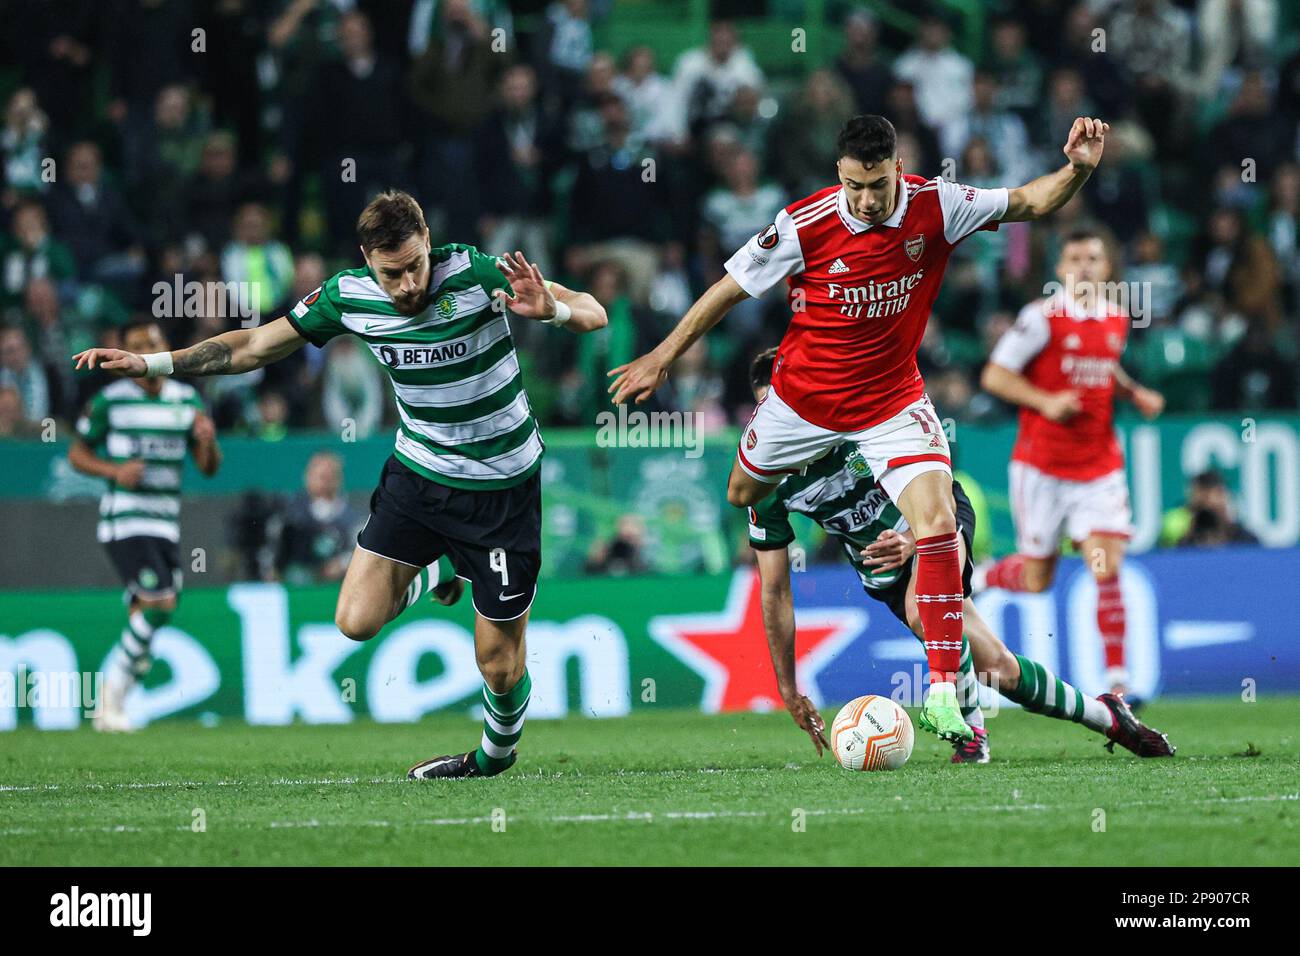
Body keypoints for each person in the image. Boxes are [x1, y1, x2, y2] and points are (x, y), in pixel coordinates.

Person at [609, 112, 1113, 744]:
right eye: (855, 187)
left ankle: (942, 696)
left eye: (878, 185)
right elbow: (728, 289)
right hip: (804, 404)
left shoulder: (938, 204)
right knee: (741, 492)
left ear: (898, 168)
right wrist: (662, 356)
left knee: (933, 525)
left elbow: (1028, 201)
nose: (868, 200)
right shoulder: (804, 223)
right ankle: (999, 705)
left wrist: (1077, 170)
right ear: (838, 176)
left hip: (890, 402)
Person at [74, 191, 607, 778]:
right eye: (391, 273)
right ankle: (441, 567)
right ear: (366, 259)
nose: (405, 286)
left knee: (499, 667)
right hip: (422, 475)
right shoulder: (346, 295)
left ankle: (492, 758)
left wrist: (552, 310)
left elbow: (592, 310)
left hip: (503, 486)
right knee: (354, 621)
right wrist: (153, 364)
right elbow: (252, 345)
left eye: (414, 267)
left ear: (429, 243)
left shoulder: (477, 272)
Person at [743, 348, 1174, 763]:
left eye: (791, 405)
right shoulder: (763, 479)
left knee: (920, 611)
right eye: (774, 413)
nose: (790, 423)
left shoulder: (859, 415)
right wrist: (788, 687)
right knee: (999, 669)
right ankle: (1108, 716)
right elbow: (776, 590)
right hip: (886, 575)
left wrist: (913, 538)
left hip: (937, 520)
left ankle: (971, 735)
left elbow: (930, 472)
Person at [977, 228, 1165, 700]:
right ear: (1060, 269)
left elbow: (1105, 367)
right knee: (1038, 580)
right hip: (1042, 468)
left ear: (1106, 268)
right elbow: (995, 375)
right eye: (1075, 258)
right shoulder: (1041, 319)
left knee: (1106, 565)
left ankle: (1118, 685)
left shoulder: (1116, 319)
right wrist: (1044, 400)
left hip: (1098, 467)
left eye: (1093, 259)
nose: (1084, 267)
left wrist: (1133, 391)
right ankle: (982, 576)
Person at [67, 319, 222, 732]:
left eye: (151, 342)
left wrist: (207, 441)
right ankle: (110, 700)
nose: (144, 349)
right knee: (160, 605)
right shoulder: (110, 402)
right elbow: (77, 455)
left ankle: (122, 679)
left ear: (162, 346)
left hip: (165, 521)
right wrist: (114, 471)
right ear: (122, 356)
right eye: (135, 345)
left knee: (155, 611)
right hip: (125, 519)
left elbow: (208, 469)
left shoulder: (186, 400)